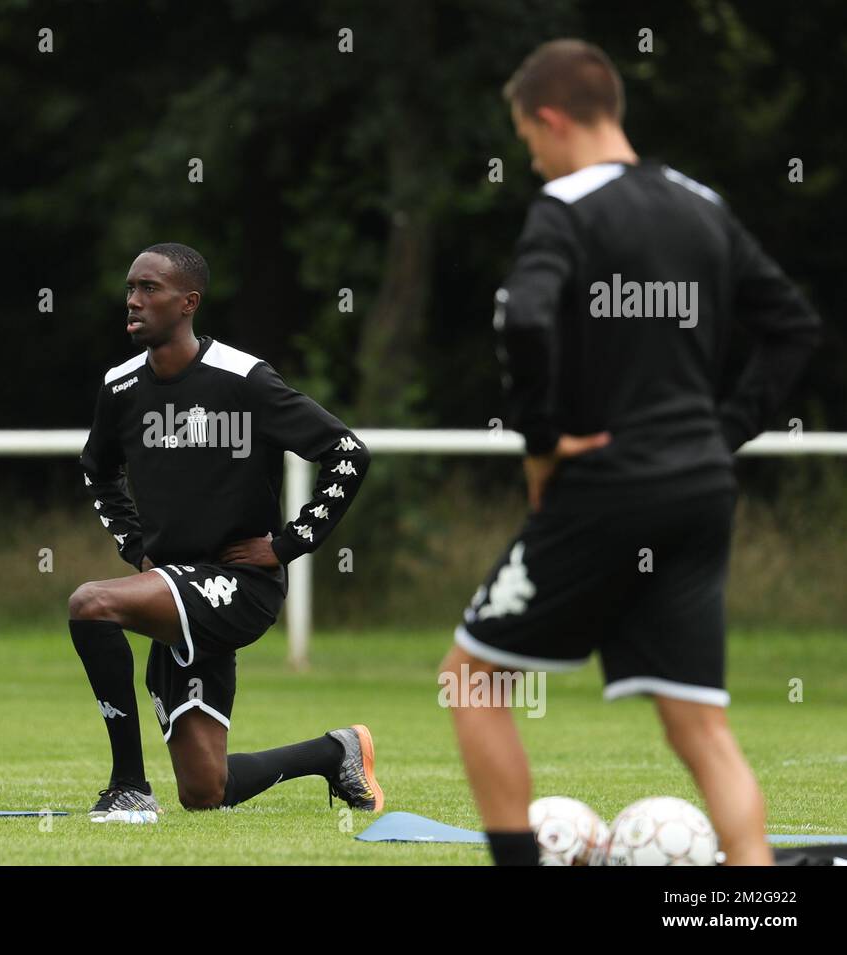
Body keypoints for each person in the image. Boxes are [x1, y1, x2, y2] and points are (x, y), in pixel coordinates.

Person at [442, 40, 821, 865]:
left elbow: (525, 319)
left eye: (527, 140)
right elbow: (795, 327)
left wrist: (539, 440)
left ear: (550, 118)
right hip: (700, 489)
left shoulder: (565, 206)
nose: (532, 160)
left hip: (606, 485)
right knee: (700, 726)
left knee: (472, 682)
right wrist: (719, 435)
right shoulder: (701, 204)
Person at [70, 242, 381, 821]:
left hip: (239, 587)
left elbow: (347, 453)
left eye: (149, 289)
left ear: (188, 303)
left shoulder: (243, 379)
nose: (133, 301)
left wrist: (289, 544)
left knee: (91, 604)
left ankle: (128, 787)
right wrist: (135, 547)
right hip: (172, 589)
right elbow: (97, 470)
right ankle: (332, 752)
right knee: (205, 790)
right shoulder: (120, 387)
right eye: (130, 289)